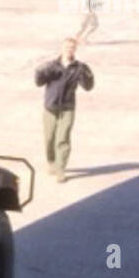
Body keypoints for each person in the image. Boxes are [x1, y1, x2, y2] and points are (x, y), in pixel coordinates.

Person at [34, 37, 94, 182]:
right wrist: (40, 72)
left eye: (72, 48)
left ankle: (60, 169)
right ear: (62, 48)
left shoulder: (78, 68)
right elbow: (39, 82)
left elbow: (88, 87)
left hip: (67, 107)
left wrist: (88, 75)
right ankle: (51, 162)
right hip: (51, 107)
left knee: (63, 138)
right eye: (66, 47)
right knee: (49, 138)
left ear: (75, 50)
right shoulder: (52, 66)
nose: (69, 50)